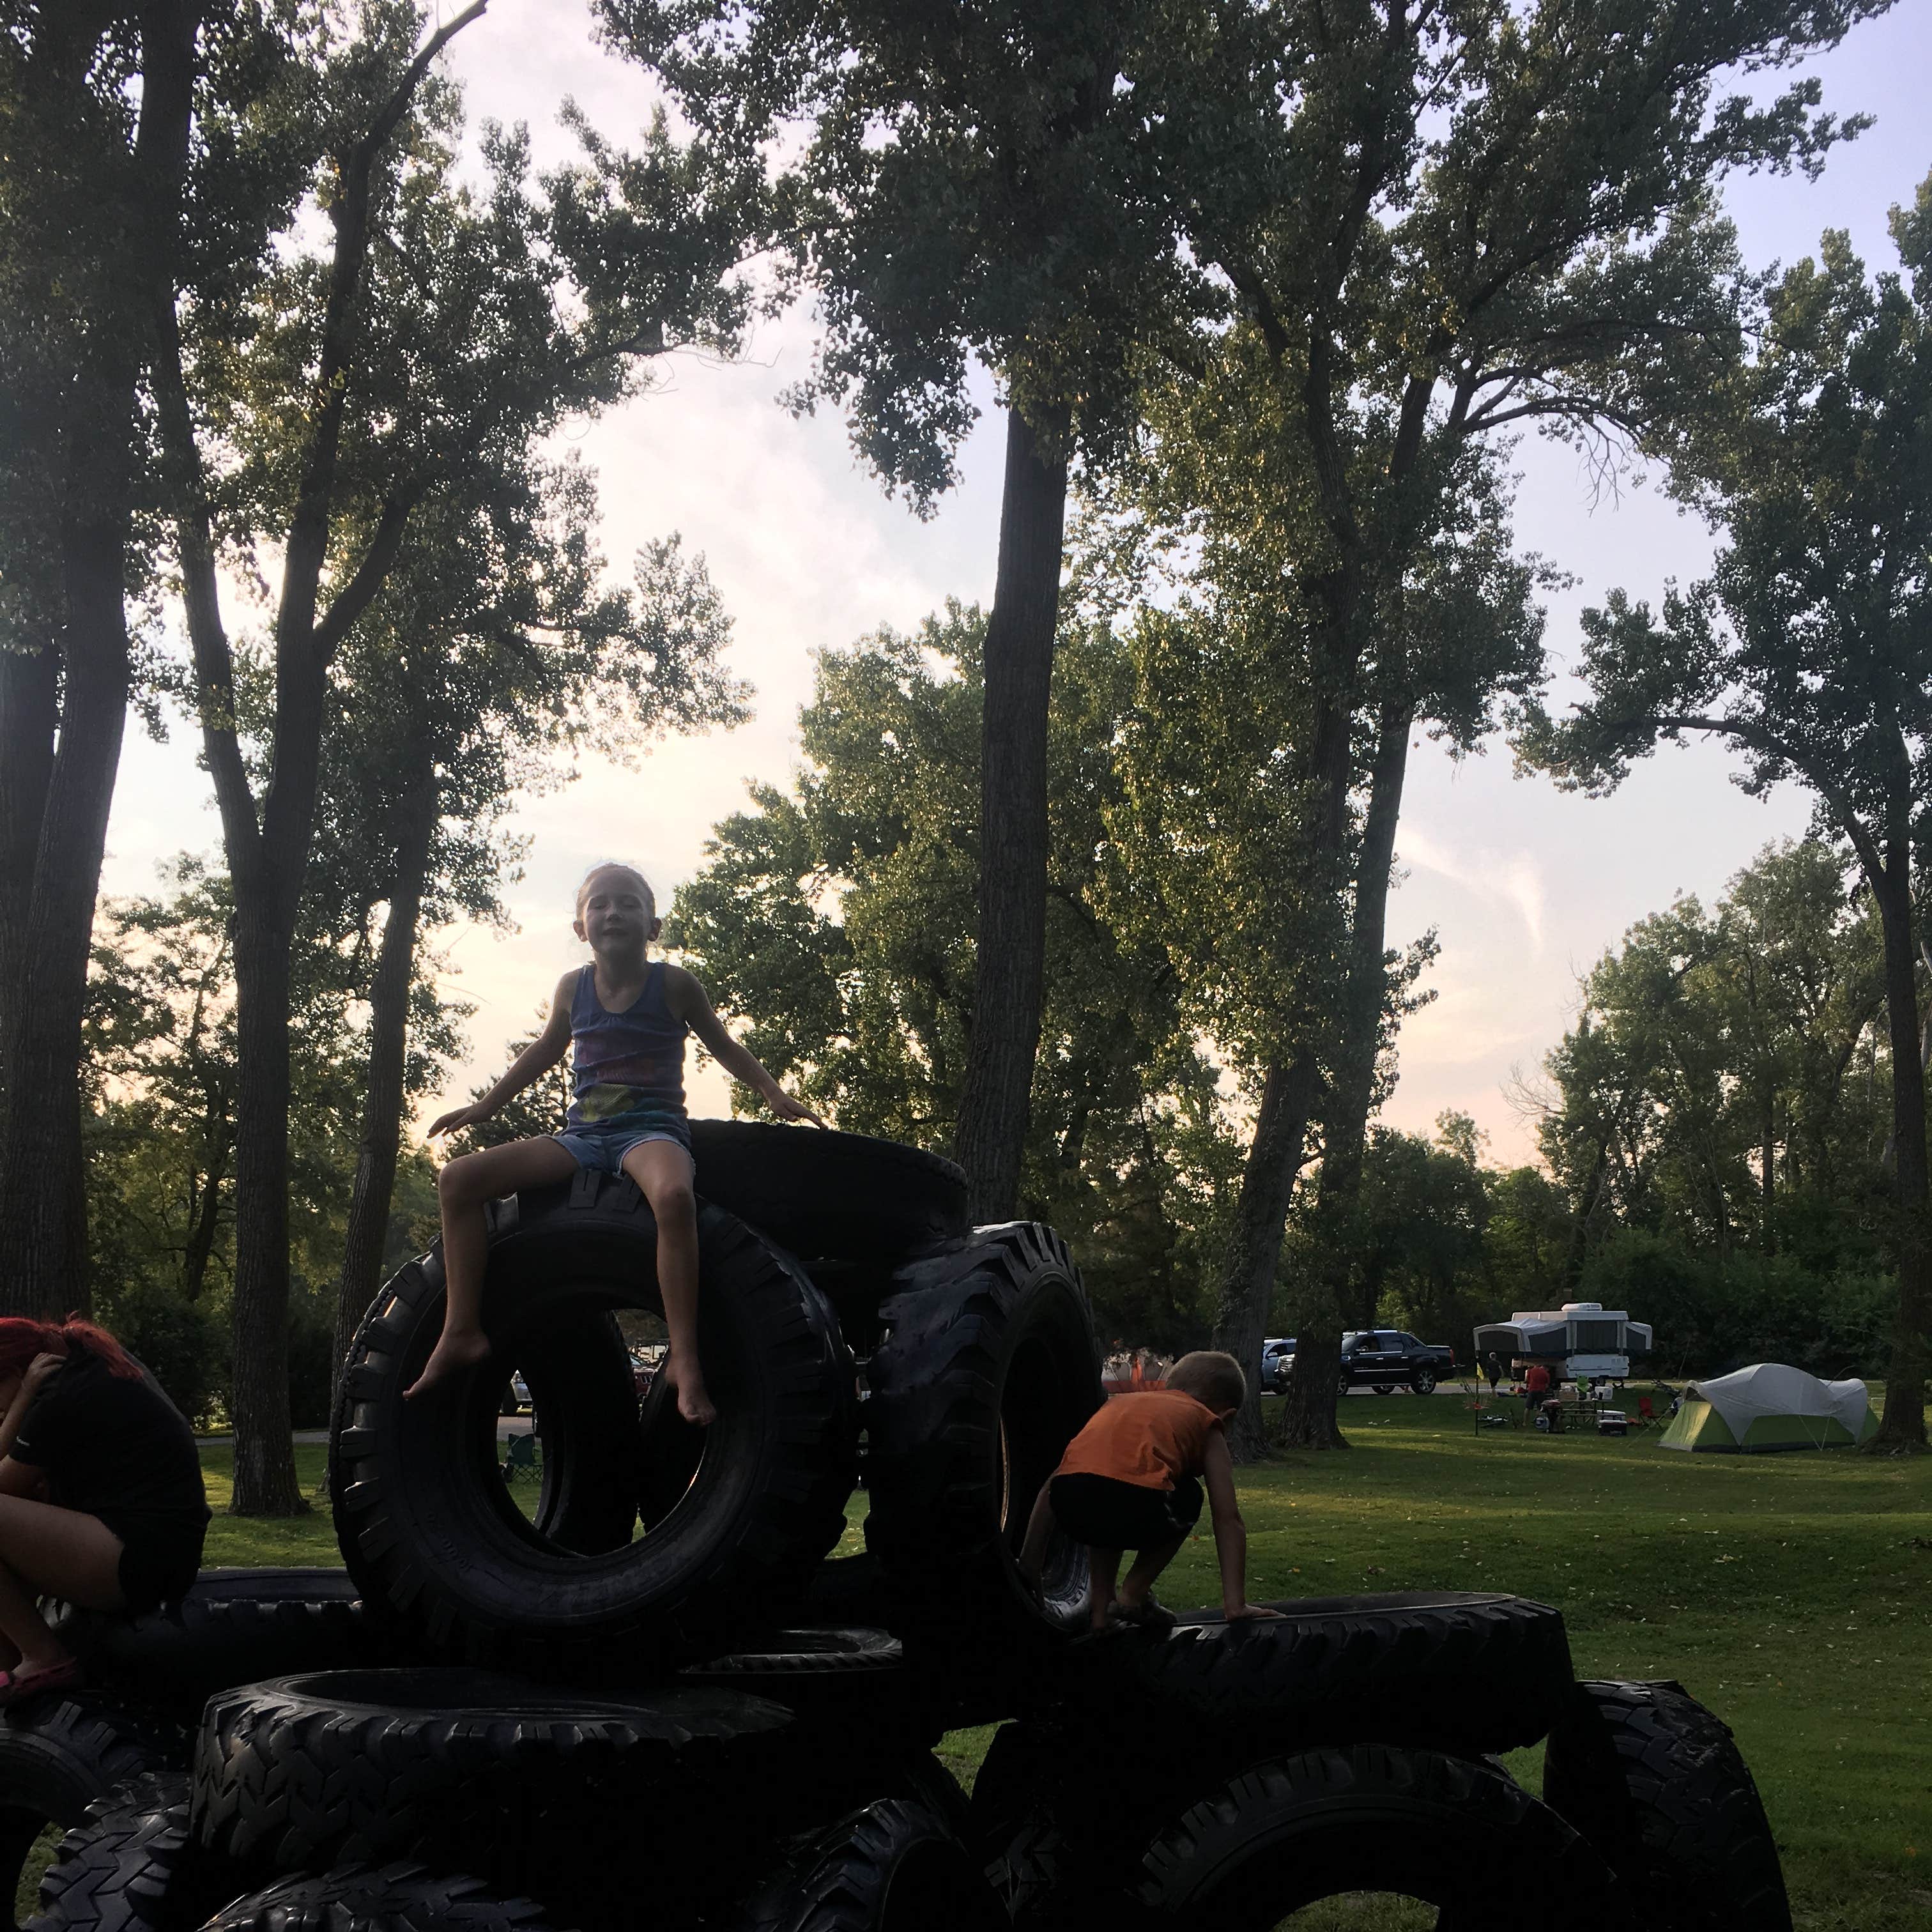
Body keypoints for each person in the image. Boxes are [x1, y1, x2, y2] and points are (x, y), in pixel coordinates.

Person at [407, 862, 824, 1422]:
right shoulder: (572, 988)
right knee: (458, 1180)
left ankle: (684, 1357)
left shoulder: (674, 985)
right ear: (581, 927)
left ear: (654, 925)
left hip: (650, 1132)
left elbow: (724, 1045)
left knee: (673, 1198)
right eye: (599, 904)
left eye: (628, 903)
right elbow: (544, 1051)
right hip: (582, 1137)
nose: (613, 912)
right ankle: (461, 1329)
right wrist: (487, 1107)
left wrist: (773, 1093)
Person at [0, 1316, 208, 1703]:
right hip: (157, 1553)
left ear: (15, 1372)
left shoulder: (58, 1394)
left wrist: (23, 1399)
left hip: (138, 1561)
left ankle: (45, 1658)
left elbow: (3, 1482)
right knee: (28, 1501)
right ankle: (11, 1661)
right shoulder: (84, 1364)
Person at [1018, 1350, 1282, 1632]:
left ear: (1170, 1387)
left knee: (1103, 1496)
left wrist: (1031, 1563)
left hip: (1069, 1499)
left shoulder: (1120, 1405)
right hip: (1133, 1499)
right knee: (1189, 1495)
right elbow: (1227, 1517)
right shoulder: (1206, 1420)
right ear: (1227, 1416)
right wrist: (1235, 1605)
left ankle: (1102, 1612)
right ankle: (1134, 1592)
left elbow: (1054, 1483)